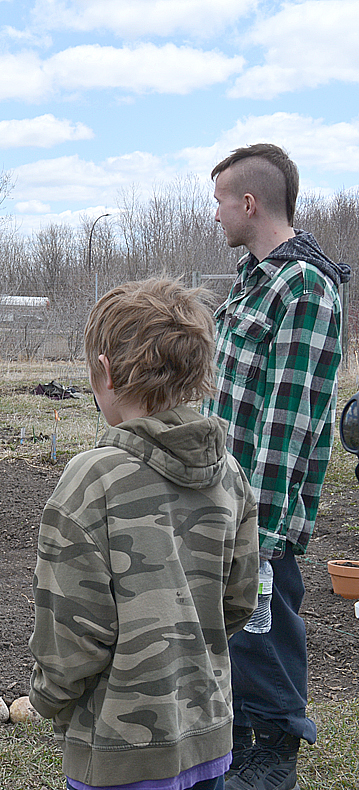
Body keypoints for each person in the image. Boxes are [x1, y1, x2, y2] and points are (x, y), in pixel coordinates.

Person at [30, 278, 260, 790]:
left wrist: (47, 699)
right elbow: (242, 602)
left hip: (118, 755)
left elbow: (71, 636)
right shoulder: (231, 476)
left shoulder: (93, 481)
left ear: (105, 373)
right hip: (207, 740)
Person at [206, 143, 351, 790]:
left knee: (264, 633)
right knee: (232, 633)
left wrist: (253, 537)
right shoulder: (252, 280)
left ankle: (272, 755)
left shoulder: (305, 289)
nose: (213, 217)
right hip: (221, 496)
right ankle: (237, 741)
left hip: (257, 509)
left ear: (248, 202)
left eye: (218, 203)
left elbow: (287, 424)